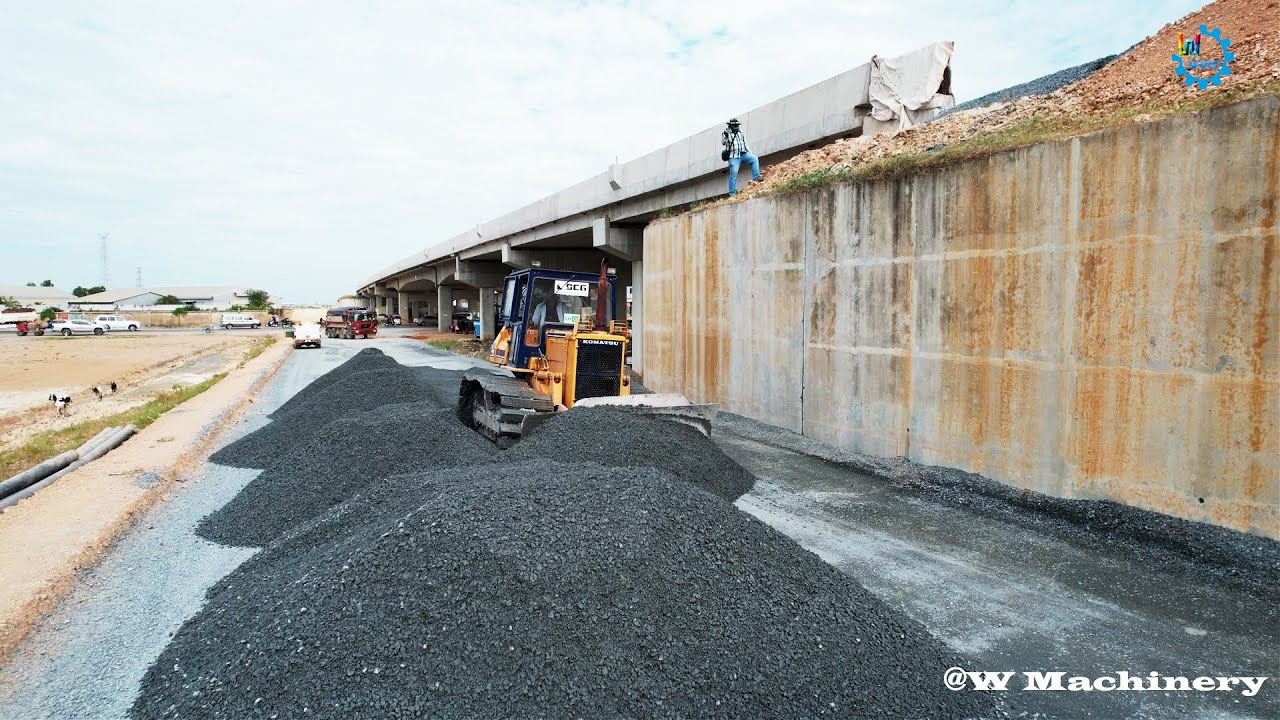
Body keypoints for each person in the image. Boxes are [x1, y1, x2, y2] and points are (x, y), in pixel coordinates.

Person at [721, 117, 762, 196]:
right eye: (734, 125)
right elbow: (723, 142)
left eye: (737, 125)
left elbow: (745, 143)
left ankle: (756, 177)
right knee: (733, 174)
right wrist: (726, 134)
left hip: (744, 154)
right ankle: (732, 193)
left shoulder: (741, 132)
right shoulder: (726, 133)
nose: (735, 127)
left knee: (754, 158)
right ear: (730, 126)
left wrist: (750, 153)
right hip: (734, 157)